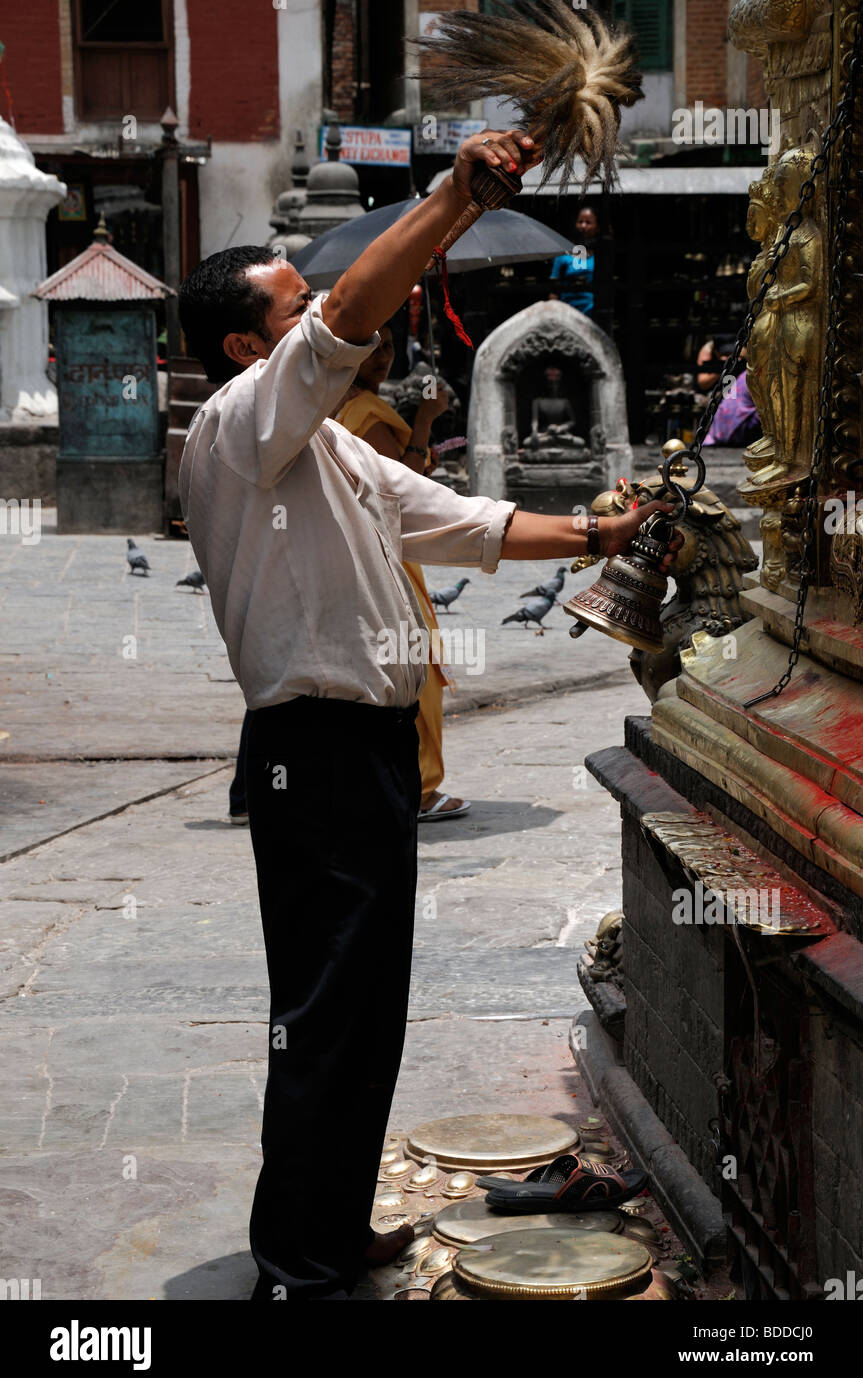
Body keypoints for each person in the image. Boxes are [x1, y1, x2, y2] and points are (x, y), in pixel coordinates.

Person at [177, 126, 679, 1302]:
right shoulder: (242, 427)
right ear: (250, 345)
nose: (321, 324)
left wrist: (603, 534)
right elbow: (350, 309)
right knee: (324, 1014)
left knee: (365, 1012)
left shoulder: (330, 455)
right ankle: (299, 1263)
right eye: (292, 313)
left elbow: (469, 524)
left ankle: (331, 1226)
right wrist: (451, 195)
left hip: (368, 751)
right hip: (311, 753)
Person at [336, 324, 468, 822]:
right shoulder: (366, 415)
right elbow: (404, 488)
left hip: (357, 549)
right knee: (418, 671)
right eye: (373, 346)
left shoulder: (330, 405)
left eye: (390, 345)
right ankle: (421, 788)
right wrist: (428, 420)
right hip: (387, 550)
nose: (385, 356)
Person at [549, 204, 598, 315]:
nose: (583, 226)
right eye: (580, 222)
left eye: (588, 222)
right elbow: (554, 291)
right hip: (567, 314)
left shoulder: (602, 256)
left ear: (597, 227)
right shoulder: (563, 255)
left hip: (593, 314)